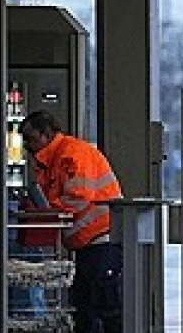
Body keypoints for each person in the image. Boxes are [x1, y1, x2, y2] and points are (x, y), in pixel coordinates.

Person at [20, 110, 124, 333]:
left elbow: (78, 198)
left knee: (103, 309)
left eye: (30, 138)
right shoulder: (52, 159)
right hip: (88, 244)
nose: (26, 145)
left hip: (101, 240)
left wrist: (47, 214)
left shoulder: (73, 154)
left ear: (46, 134)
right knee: (86, 309)